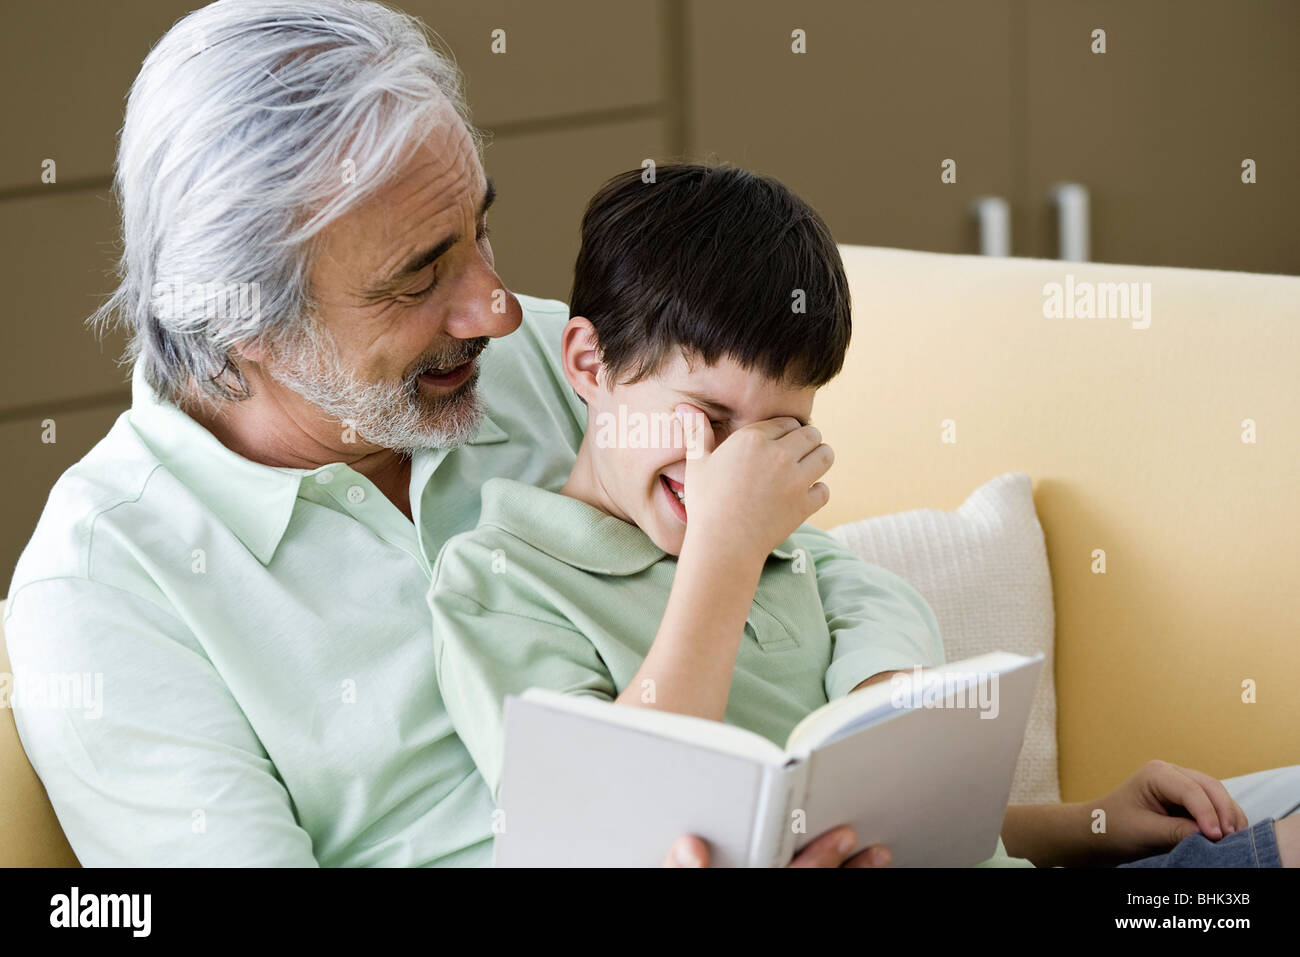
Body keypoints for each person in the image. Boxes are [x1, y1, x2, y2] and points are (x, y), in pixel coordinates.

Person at [5, 0, 1293, 868]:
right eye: (415, 278)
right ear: (240, 326)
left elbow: (806, 600)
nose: (493, 306)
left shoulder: (542, 365)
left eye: (480, 234)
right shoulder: (103, 596)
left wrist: (1056, 820)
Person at [429, 162, 1297, 869]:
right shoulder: (499, 583)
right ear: (588, 361)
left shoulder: (812, 560)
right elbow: (631, 819)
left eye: (779, 434)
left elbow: (929, 839)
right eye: (708, 419)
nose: (733, 471)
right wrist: (725, 555)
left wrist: (1096, 824)